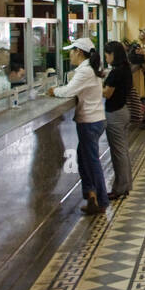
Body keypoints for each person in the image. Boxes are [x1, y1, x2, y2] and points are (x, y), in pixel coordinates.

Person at [50, 38, 109, 215]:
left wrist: (54, 91)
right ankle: (91, 197)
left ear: (79, 52)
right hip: (92, 120)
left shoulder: (85, 72)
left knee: (91, 162)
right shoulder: (88, 70)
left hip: (90, 122)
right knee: (84, 161)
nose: (70, 54)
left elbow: (68, 91)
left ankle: (101, 199)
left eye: (72, 51)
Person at [103, 41, 133, 198]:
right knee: (123, 151)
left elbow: (108, 93)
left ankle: (120, 187)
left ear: (113, 54)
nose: (106, 57)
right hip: (123, 111)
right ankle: (125, 184)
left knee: (118, 152)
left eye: (107, 54)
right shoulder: (125, 69)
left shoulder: (116, 73)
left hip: (114, 113)